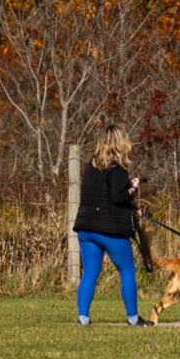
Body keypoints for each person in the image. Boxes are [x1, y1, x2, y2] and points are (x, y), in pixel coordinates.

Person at [70, 133, 144, 327]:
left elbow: (102, 198)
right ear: (119, 145)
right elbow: (118, 198)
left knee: (90, 273)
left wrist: (132, 206)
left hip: (86, 228)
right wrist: (133, 188)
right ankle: (133, 318)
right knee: (127, 270)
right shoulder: (118, 170)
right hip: (110, 230)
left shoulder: (90, 168)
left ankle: (83, 317)